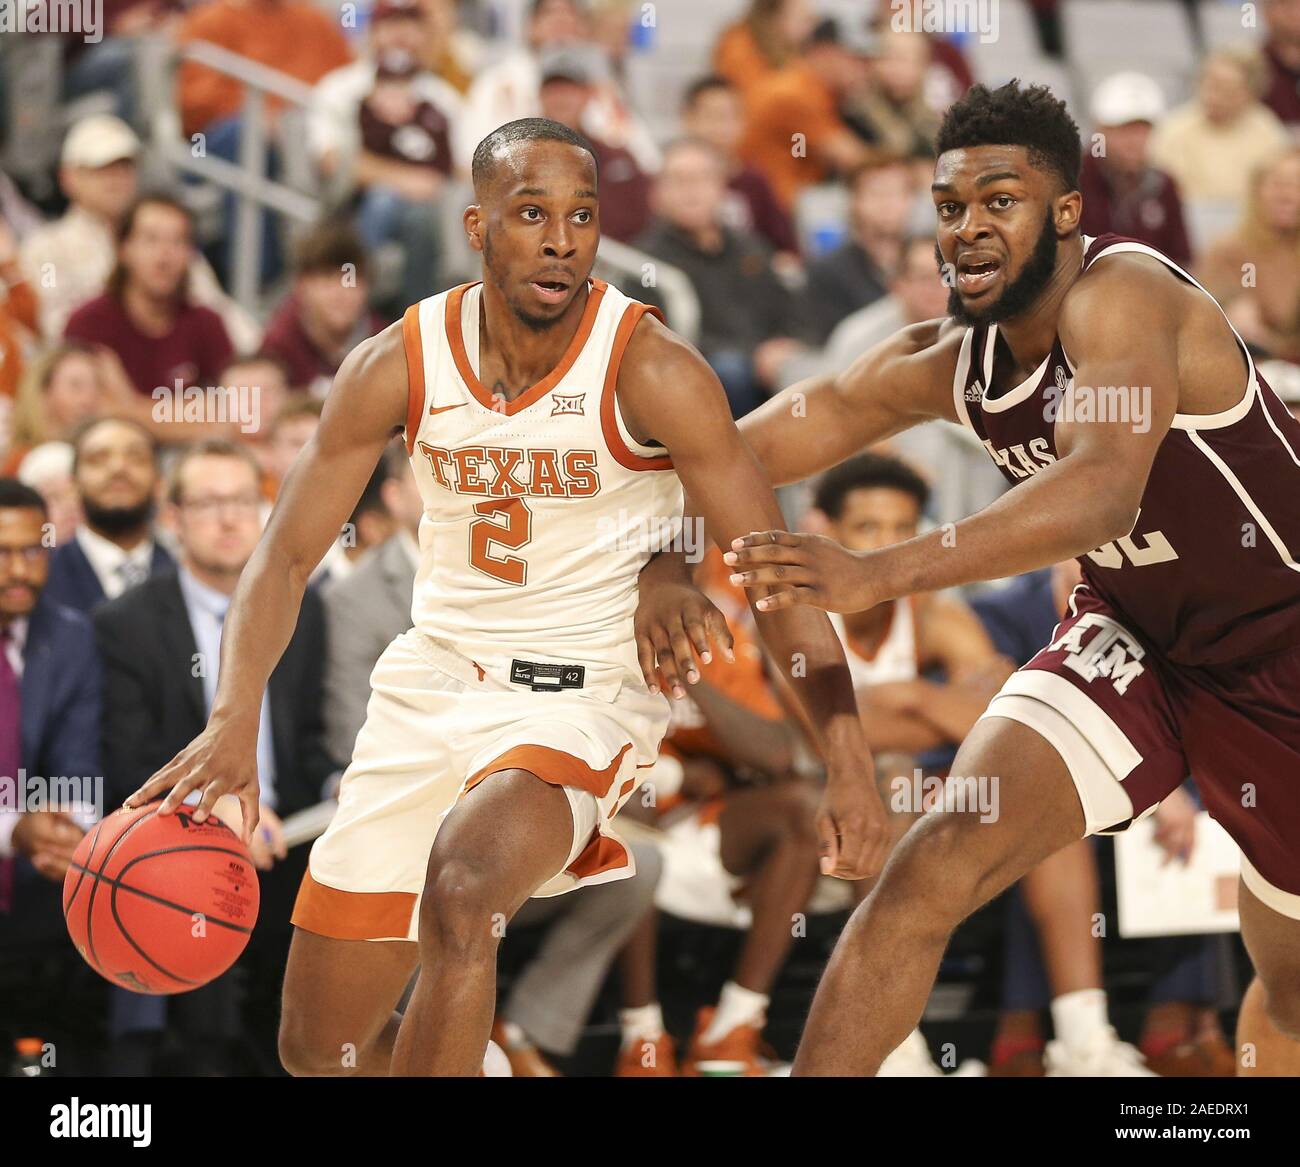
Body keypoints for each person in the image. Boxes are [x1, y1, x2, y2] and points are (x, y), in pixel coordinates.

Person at [122, 117, 883, 1078]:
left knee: (466, 884)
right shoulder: (395, 361)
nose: (563, 238)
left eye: (582, 216)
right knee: (321, 1049)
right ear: (477, 227)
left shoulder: (651, 367)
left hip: (585, 691)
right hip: (432, 681)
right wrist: (234, 720)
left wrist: (846, 753)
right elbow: (278, 559)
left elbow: (770, 566)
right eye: (533, 214)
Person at [646, 80, 1300, 1077]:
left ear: (1067, 214)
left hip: (1281, 647)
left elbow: (1098, 498)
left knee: (1290, 989)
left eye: (1001, 201)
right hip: (1139, 641)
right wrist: (641, 515)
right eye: (949, 208)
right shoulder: (951, 361)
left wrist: (877, 573)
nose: (966, 229)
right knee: (928, 870)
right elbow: (758, 437)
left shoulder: (1126, 295)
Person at [93, 439, 338, 1074]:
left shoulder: (303, 610)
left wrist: (336, 787)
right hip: (177, 843)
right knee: (211, 1020)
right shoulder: (126, 622)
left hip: (292, 842)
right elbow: (129, 762)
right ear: (172, 519)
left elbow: (309, 740)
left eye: (242, 500)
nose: (230, 519)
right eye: (208, 503)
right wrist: (219, 813)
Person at [17, 114, 258, 347]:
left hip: (173, 372)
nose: (116, 178)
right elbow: (52, 327)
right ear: (68, 177)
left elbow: (215, 306)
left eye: (125, 166)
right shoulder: (46, 248)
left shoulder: (169, 239)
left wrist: (259, 352)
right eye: (100, 168)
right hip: (93, 373)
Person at [636, 138, 811, 417]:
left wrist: (788, 343)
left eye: (703, 178)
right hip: (700, 377)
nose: (691, 190)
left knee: (813, 363)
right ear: (656, 193)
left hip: (768, 363)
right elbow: (659, 339)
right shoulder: (644, 263)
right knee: (730, 371)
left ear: (722, 188)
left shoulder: (751, 247)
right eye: (679, 180)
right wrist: (755, 355)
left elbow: (790, 308)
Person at [64, 195, 235, 401]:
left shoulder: (208, 324)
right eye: (151, 240)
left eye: (177, 241)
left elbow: (231, 413)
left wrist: (128, 403)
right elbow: (84, 413)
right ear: (123, 248)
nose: (164, 256)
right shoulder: (88, 325)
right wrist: (189, 411)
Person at [738, 17, 875, 212]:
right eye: (857, 59)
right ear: (825, 53)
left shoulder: (806, 85)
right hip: (778, 208)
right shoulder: (797, 93)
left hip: (787, 201)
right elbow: (858, 161)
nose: (866, 70)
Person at [42, 417, 175, 614]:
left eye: (136, 458)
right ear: (73, 484)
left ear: (159, 484)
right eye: (98, 459)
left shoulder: (186, 576)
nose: (118, 468)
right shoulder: (44, 575)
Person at [1148, 48, 1290, 209]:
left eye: (1226, 89)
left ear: (1251, 94)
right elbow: (1163, 192)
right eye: (1210, 85)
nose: (1213, 96)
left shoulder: (1268, 131)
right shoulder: (1173, 129)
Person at [1078, 72, 1191, 270]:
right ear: (1100, 130)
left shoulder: (1164, 185)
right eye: (1124, 130)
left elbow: (1181, 260)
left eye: (1143, 130)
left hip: (1153, 291)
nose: (1134, 141)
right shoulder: (1073, 179)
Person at [1197, 148, 1300, 364]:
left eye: (1296, 185)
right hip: (1248, 371)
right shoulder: (1228, 251)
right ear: (1257, 192)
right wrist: (1228, 311)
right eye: (1278, 184)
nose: (1287, 195)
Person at [260, 223, 383, 397]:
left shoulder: (385, 344)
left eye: (352, 281)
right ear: (301, 286)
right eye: (327, 280)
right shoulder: (278, 347)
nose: (341, 294)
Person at [679, 75, 797, 258]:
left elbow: (785, 248)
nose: (721, 128)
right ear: (688, 119)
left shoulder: (754, 181)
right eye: (712, 116)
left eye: (730, 117)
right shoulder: (672, 181)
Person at [805, 157, 916, 342]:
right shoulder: (828, 271)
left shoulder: (932, 261)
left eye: (899, 193)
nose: (888, 204)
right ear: (854, 200)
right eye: (877, 194)